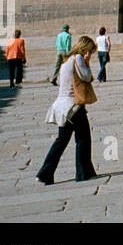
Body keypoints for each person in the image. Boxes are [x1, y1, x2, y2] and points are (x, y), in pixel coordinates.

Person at [35, 35, 98, 184]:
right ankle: (83, 173)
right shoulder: (78, 59)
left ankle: (45, 173)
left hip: (62, 107)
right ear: (85, 49)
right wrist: (87, 62)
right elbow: (87, 77)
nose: (90, 55)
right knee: (83, 139)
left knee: (61, 141)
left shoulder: (66, 61)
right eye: (89, 51)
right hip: (73, 107)